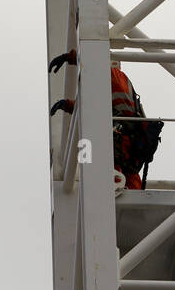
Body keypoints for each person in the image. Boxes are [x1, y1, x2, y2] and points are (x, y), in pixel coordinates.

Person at [47, 50, 160, 193]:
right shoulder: (111, 80)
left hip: (123, 145)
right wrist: (69, 105)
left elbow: (102, 111)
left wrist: (70, 57)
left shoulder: (114, 78)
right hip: (127, 154)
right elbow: (100, 110)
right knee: (126, 187)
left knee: (120, 185)